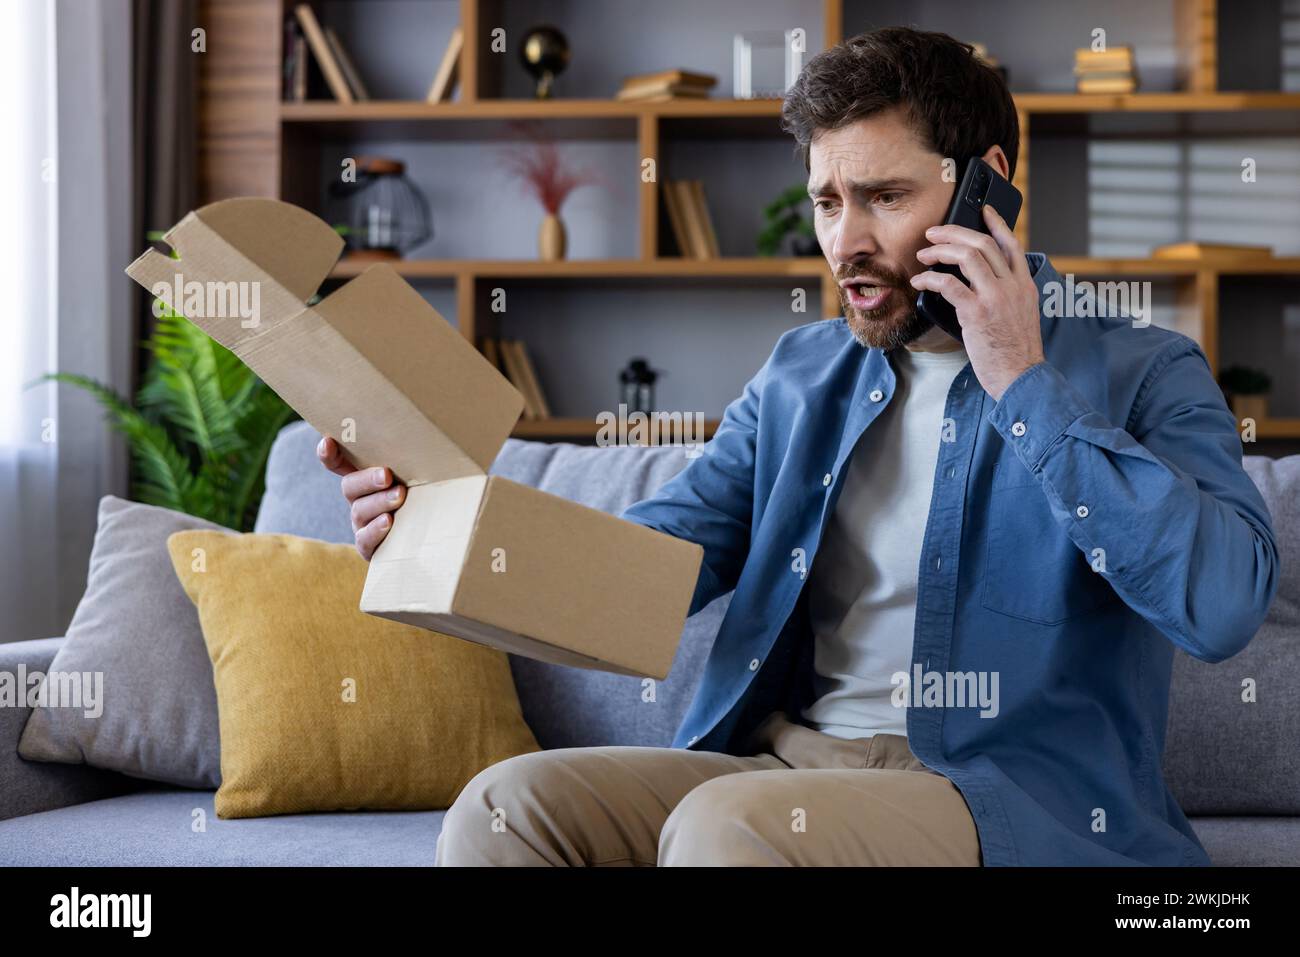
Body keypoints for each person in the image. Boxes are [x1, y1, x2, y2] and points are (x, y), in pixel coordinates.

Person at [318, 27, 1278, 866]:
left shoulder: (1145, 371)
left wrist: (1022, 380)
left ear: (990, 183)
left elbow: (1222, 603)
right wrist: (437, 521)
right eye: (826, 201)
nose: (844, 242)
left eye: (882, 197)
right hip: (781, 760)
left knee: (727, 828)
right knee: (503, 809)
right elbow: (647, 567)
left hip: (1009, 793)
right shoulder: (800, 375)